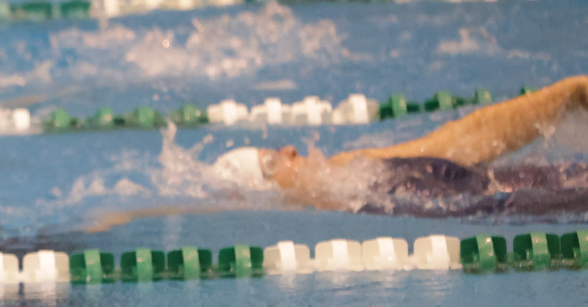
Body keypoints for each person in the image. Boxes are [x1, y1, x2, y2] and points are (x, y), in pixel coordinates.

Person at [211, 75, 588, 216]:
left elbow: (458, 144)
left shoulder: (347, 169)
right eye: (272, 163)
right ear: (267, 193)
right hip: (517, 200)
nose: (290, 151)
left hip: (519, 186)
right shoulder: (335, 199)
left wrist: (567, 96)